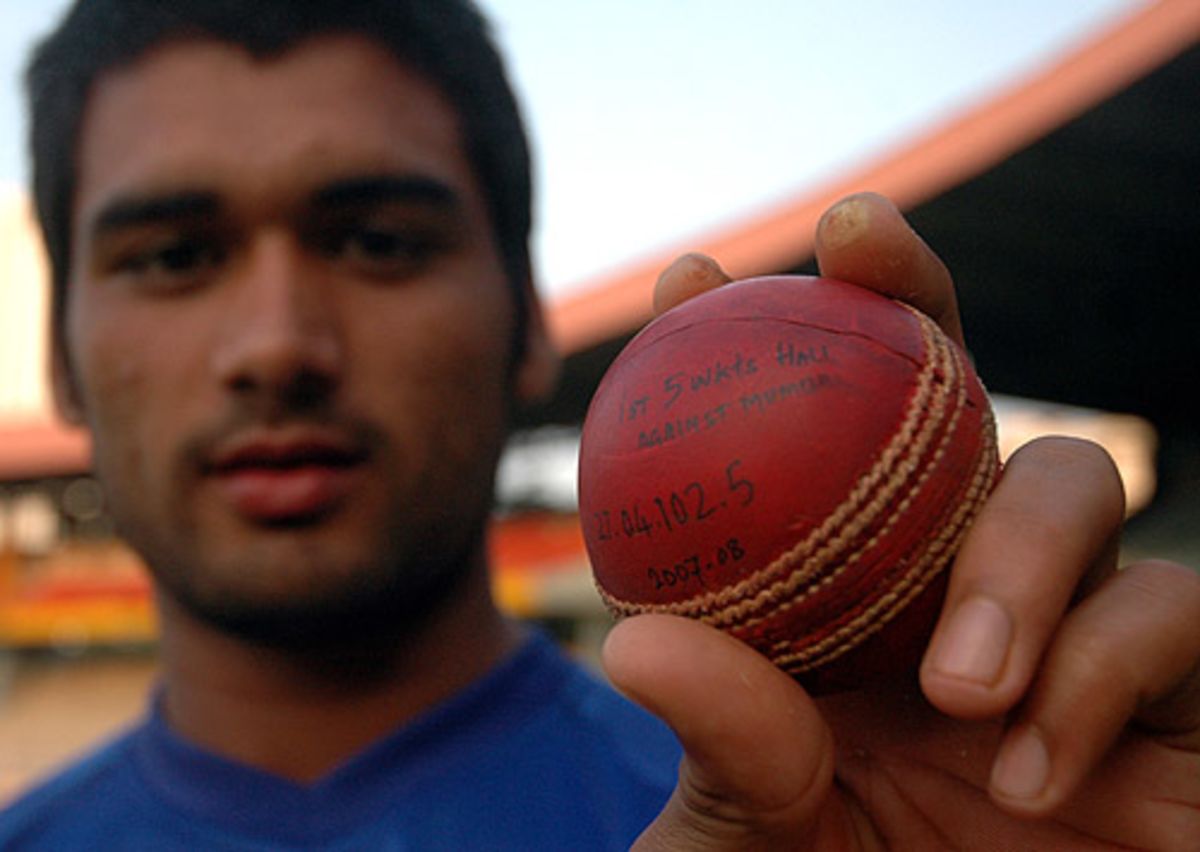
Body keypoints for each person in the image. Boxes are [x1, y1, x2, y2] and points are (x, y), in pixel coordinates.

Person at [1, 0, 1197, 849]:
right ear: (58, 351)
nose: (276, 343)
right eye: (173, 256)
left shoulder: (828, 808)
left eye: (378, 241)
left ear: (529, 321)